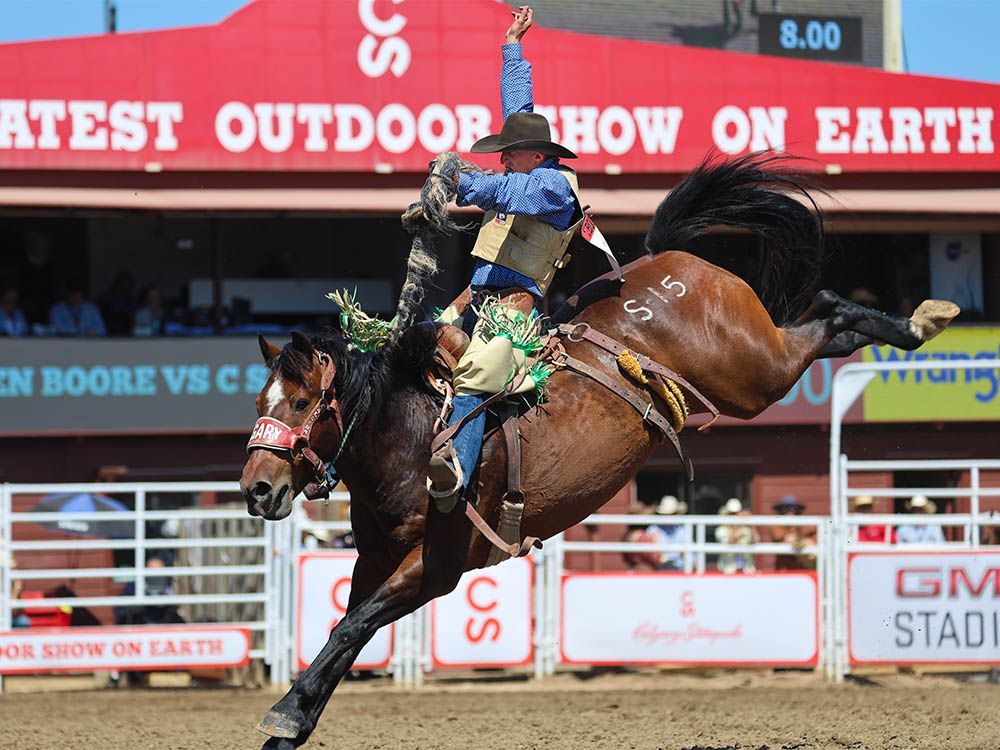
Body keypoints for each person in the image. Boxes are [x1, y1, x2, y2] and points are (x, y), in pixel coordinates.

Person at [428, 6, 586, 505]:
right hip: (472, 301)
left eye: (510, 153)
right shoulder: (529, 170)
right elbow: (519, 108)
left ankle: (453, 472)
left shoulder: (553, 189)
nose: (502, 159)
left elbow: (510, 193)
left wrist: (457, 176)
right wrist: (512, 46)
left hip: (514, 313)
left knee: (479, 373)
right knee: (413, 353)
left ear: (536, 156)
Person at [771, 494, 817, 570]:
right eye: (785, 509)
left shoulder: (804, 524)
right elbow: (778, 536)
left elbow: (812, 534)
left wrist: (802, 540)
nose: (789, 512)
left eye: (793, 509)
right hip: (785, 568)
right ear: (780, 511)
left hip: (803, 569)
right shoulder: (776, 525)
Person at [715, 498, 758, 574]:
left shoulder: (746, 530)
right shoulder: (721, 530)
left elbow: (756, 541)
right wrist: (736, 528)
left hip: (747, 571)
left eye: (736, 514)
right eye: (731, 514)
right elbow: (729, 544)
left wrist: (750, 524)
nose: (734, 516)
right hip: (728, 571)